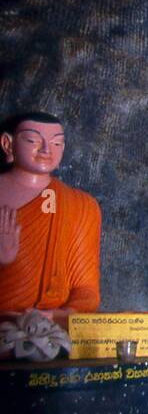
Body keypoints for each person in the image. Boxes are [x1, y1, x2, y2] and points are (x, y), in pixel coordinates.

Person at [0, 111, 101, 326]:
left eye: (56, 143)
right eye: (32, 140)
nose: (46, 150)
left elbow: (87, 290)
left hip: (49, 329)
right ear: (8, 144)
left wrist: (60, 315)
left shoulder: (81, 205)